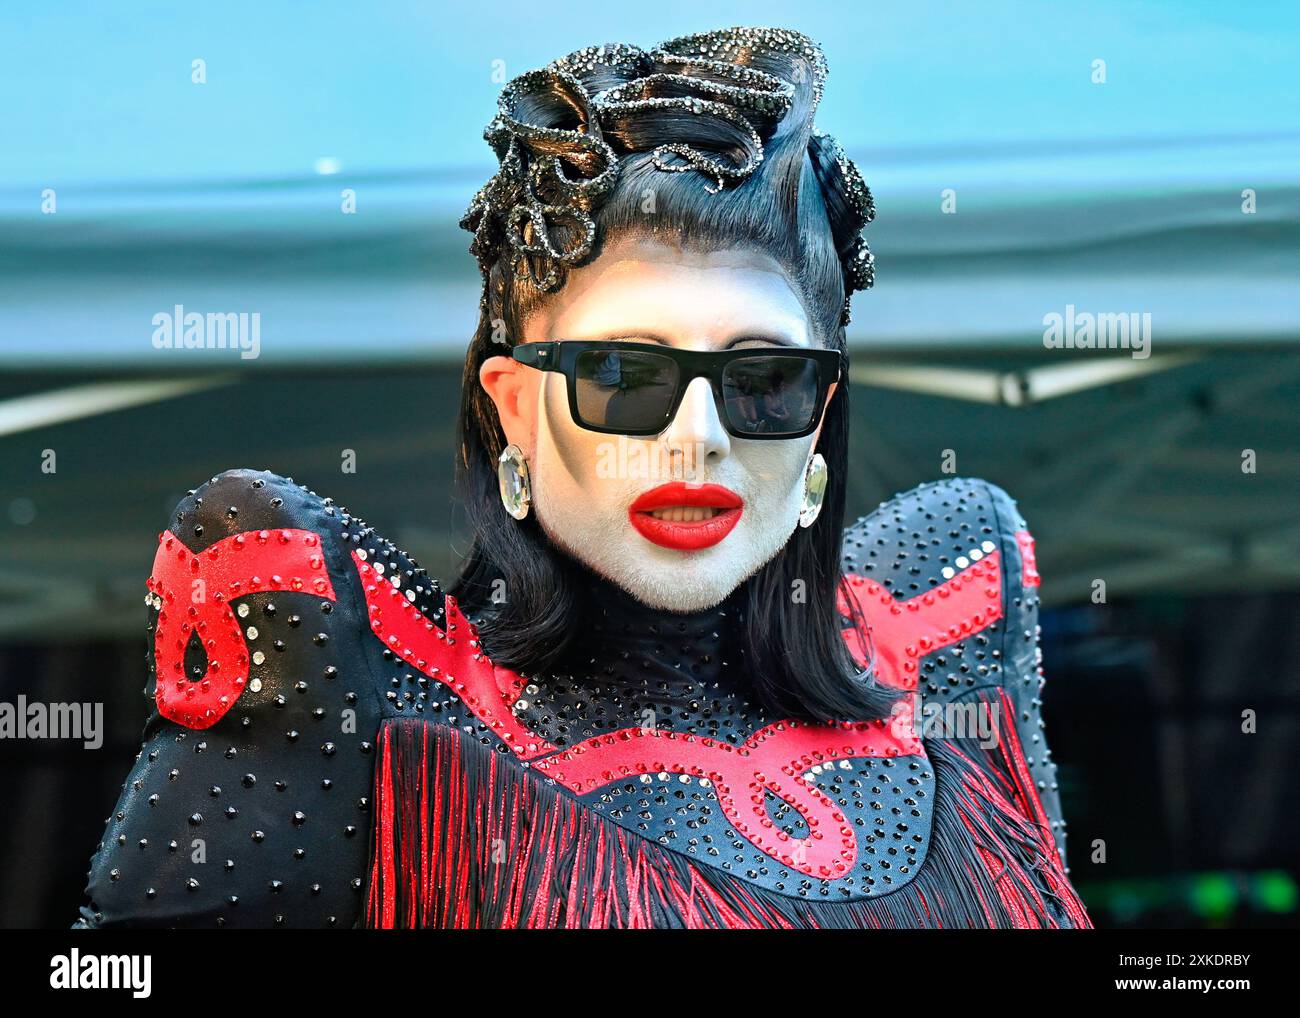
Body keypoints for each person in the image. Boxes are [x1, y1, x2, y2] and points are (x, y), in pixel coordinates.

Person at [76, 26, 1089, 928]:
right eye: (621, 375)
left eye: (763, 380)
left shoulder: (945, 617)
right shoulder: (356, 669)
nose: (698, 439)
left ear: (820, 420)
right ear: (513, 405)